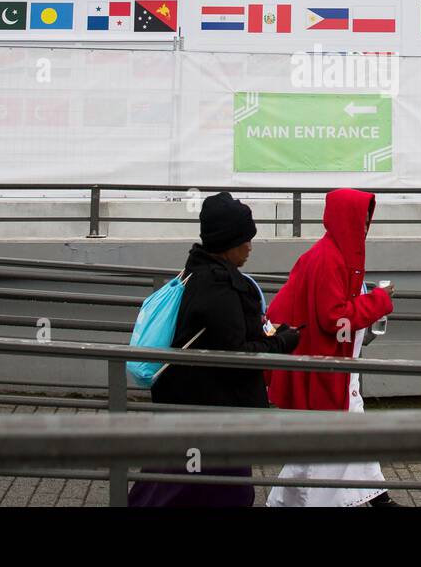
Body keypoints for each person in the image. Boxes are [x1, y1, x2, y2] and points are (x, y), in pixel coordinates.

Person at [127, 191, 300, 507]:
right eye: (245, 239)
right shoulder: (220, 288)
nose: (250, 246)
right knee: (226, 490)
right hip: (215, 411)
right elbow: (237, 354)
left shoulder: (197, 271)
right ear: (228, 242)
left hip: (190, 404)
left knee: (172, 481)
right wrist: (283, 342)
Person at [264, 188, 397, 507]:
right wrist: (379, 301)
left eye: (368, 219)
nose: (365, 225)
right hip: (326, 367)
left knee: (342, 434)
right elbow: (332, 318)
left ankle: (377, 498)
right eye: (361, 218)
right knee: (329, 442)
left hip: (321, 363)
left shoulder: (326, 254)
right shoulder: (331, 259)